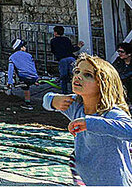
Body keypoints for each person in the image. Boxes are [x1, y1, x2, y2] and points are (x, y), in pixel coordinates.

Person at [44, 55, 132, 186]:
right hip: (86, 181)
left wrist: (90, 123)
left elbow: (129, 131)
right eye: (77, 71)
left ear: (102, 84)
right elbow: (46, 100)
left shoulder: (112, 113)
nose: (78, 76)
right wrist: (53, 100)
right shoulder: (76, 106)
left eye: (88, 75)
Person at [6, 39, 39, 110]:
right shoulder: (29, 55)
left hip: (23, 77)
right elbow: (32, 67)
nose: (25, 48)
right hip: (33, 76)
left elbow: (10, 70)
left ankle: (28, 103)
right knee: (27, 87)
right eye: (24, 46)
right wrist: (36, 78)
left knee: (26, 88)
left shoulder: (12, 57)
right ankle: (28, 102)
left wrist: (9, 82)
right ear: (20, 48)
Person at [51, 25, 84, 94]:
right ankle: (76, 90)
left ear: (56, 33)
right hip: (71, 58)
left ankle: (64, 92)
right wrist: (78, 46)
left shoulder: (53, 41)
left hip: (62, 59)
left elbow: (53, 51)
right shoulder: (66, 39)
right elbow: (71, 49)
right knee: (74, 75)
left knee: (63, 77)